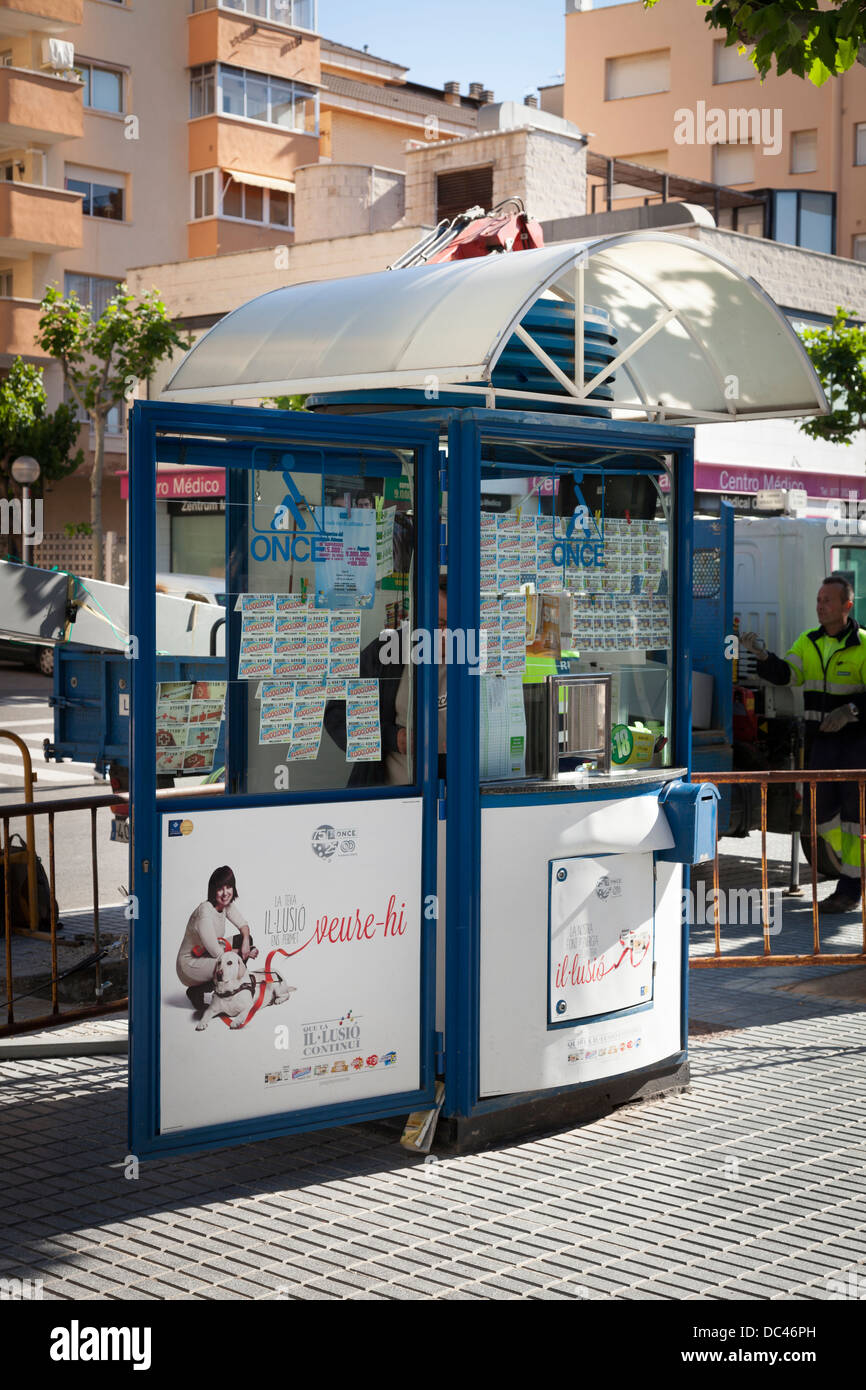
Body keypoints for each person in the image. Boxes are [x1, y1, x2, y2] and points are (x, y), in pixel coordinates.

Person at [741, 575, 866, 913]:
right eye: (818, 599)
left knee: (855, 821)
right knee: (820, 817)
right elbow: (787, 675)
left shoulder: (864, 644)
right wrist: (763, 656)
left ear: (847, 606)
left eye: (827, 600)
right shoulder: (807, 642)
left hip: (855, 747)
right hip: (821, 745)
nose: (820, 606)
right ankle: (857, 869)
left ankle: (850, 889)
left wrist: (852, 710)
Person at [324, 578, 448, 787]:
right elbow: (338, 714)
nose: (447, 635)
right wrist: (392, 737)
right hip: (390, 794)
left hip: (456, 796)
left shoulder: (474, 654)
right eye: (440, 624)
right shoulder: (388, 651)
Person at [176, 865, 258, 1012]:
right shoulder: (205, 911)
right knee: (222, 965)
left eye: (229, 887)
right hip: (189, 963)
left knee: (246, 940)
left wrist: (245, 943)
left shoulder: (226, 905)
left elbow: (243, 925)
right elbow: (216, 952)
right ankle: (198, 992)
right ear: (213, 890)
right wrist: (243, 952)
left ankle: (232, 986)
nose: (225, 893)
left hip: (208, 954)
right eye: (220, 888)